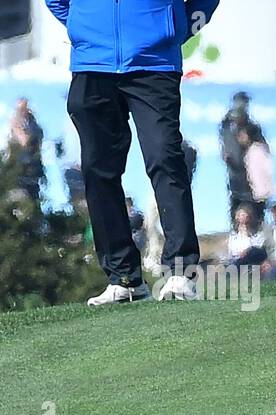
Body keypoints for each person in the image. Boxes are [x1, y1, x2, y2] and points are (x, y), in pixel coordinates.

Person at [44, 0, 218, 305]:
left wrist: (177, 29)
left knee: (164, 157)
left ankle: (180, 271)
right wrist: (83, 28)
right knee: (98, 171)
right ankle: (124, 279)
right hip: (91, 65)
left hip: (155, 64)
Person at [220, 91, 255, 224]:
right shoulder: (226, 124)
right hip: (233, 168)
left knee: (250, 199)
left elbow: (259, 145)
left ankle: (252, 228)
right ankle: (236, 228)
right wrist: (225, 153)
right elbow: (223, 141)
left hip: (248, 168)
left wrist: (248, 141)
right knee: (235, 197)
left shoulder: (251, 126)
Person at [7, 98, 46, 200]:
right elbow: (24, 141)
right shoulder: (21, 123)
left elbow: (27, 141)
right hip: (20, 170)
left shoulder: (32, 124)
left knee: (30, 201)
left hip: (29, 169)